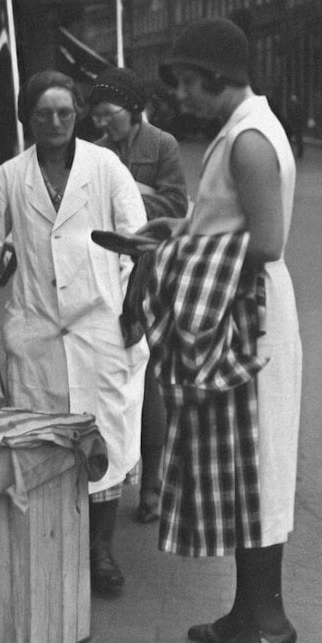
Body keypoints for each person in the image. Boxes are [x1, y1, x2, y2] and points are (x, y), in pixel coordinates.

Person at [147, 17, 303, 643]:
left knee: (257, 471)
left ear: (217, 79)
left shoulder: (249, 142)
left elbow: (266, 243)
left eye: (186, 81)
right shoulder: (238, 131)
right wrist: (180, 227)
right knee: (240, 471)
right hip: (235, 314)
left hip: (250, 321)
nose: (181, 95)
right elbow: (230, 220)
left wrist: (183, 249)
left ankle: (269, 625)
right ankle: (245, 612)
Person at [0, 70, 148, 594]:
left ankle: (100, 551)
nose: (56, 122)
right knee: (46, 441)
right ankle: (51, 544)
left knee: (102, 436)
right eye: (44, 114)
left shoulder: (105, 167)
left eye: (65, 112)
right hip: (36, 328)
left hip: (98, 326)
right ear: (28, 119)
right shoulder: (11, 177)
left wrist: (133, 303)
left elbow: (138, 242)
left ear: (78, 115)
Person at [89, 67, 189, 526]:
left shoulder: (162, 146)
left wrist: (130, 197)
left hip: (154, 273)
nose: (102, 125)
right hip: (109, 273)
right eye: (97, 116)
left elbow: (174, 207)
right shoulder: (93, 152)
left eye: (109, 115)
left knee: (152, 381)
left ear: (132, 111)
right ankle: (117, 475)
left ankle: (153, 484)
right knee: (117, 376)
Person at [283, 91, 305, 158]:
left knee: (298, 139)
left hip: (297, 125)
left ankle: (299, 153)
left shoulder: (297, 106)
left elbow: (299, 115)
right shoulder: (292, 106)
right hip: (294, 124)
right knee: (295, 139)